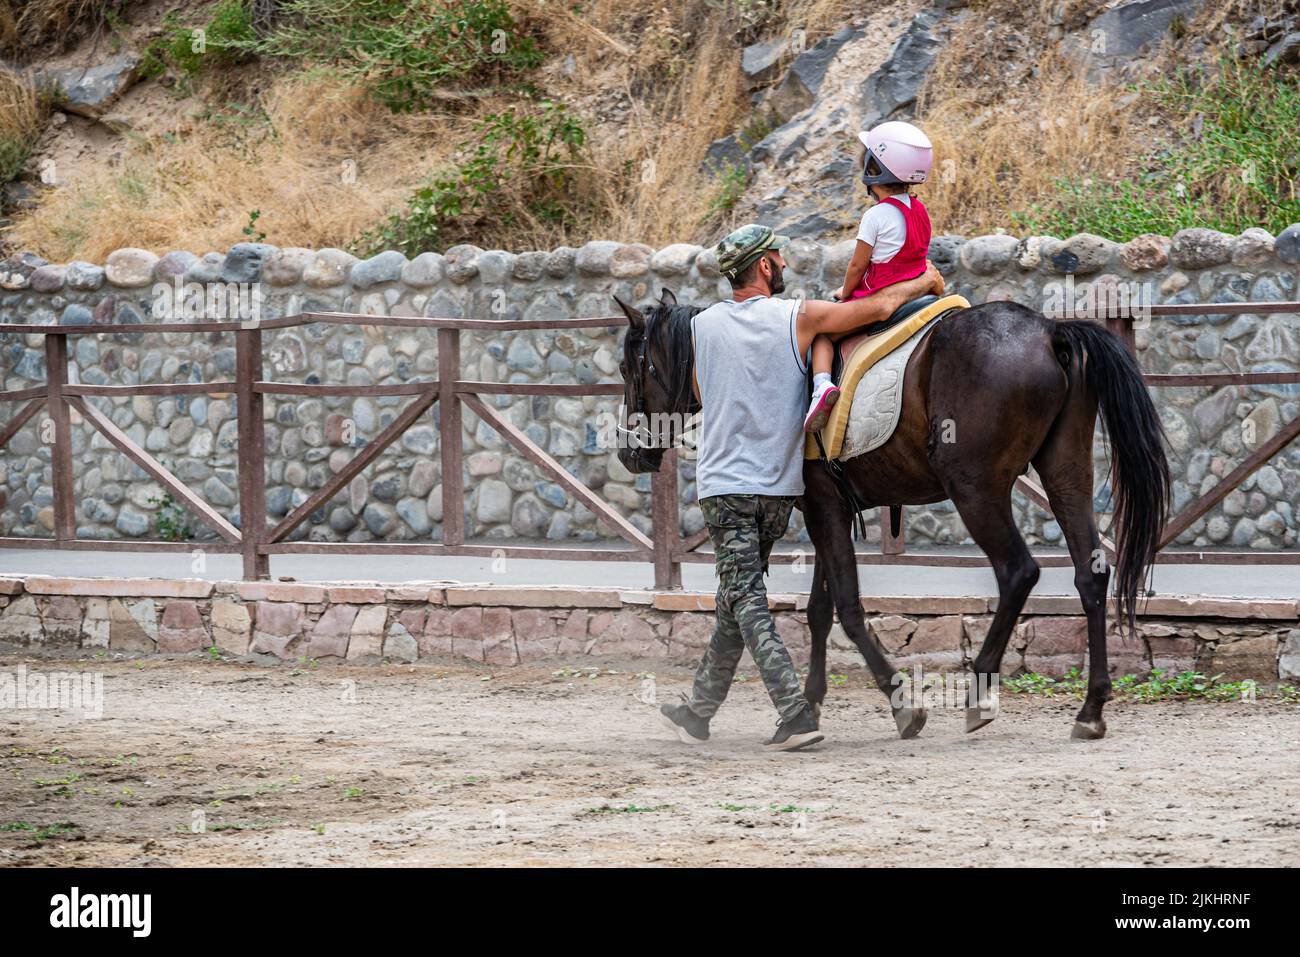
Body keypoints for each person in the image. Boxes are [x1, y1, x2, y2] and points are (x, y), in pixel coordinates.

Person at [658, 223, 944, 751]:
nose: (784, 264)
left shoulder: (701, 327)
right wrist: (923, 281)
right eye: (779, 258)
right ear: (765, 266)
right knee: (734, 597)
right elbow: (877, 311)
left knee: (745, 598)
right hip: (780, 490)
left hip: (726, 488)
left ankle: (796, 715)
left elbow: (698, 393)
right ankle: (698, 712)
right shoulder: (802, 319)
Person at [804, 120, 935, 433]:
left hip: (879, 295)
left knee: (821, 333)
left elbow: (857, 267)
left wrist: (845, 292)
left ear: (874, 168)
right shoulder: (920, 210)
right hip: (917, 291)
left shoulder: (875, 216)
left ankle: (822, 387)